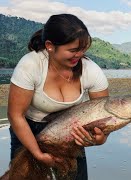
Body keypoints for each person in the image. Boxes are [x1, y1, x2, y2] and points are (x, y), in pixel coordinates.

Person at [8, 14, 109, 179]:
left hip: (70, 130)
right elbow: (15, 115)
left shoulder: (91, 70)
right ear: (49, 46)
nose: (79, 55)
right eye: (73, 50)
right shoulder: (31, 65)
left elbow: (103, 113)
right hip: (29, 130)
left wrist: (100, 138)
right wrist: (37, 154)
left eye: (83, 49)